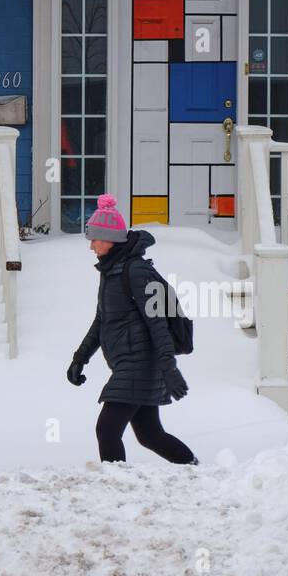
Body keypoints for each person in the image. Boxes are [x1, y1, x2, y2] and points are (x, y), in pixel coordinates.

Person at [66, 194, 197, 465]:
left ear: (111, 239)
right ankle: (194, 469)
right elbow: (101, 321)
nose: (91, 245)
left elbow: (157, 322)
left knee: (107, 429)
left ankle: (116, 483)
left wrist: (169, 368)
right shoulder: (111, 271)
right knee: (149, 434)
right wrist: (80, 358)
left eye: (95, 239)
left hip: (140, 364)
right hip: (129, 364)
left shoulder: (135, 272)